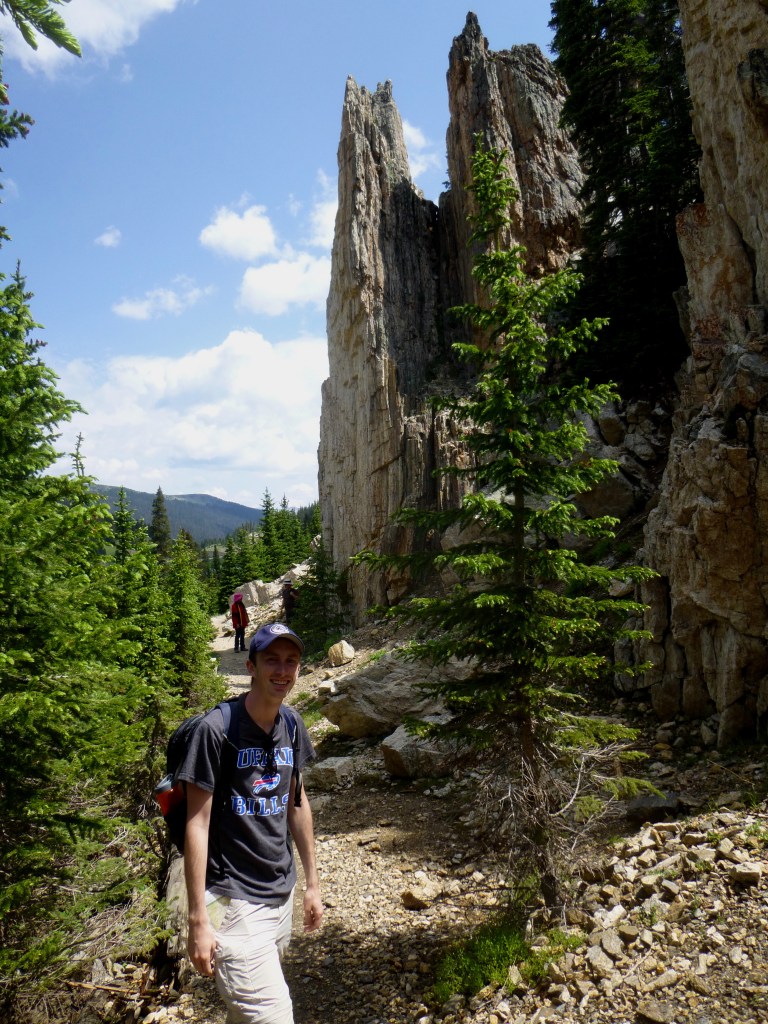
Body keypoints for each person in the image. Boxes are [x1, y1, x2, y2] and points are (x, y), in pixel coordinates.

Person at [178, 623, 323, 1024]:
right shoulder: (216, 731)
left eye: (290, 661)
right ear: (251, 666)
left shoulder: (291, 724)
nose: (282, 670)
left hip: (280, 895)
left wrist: (311, 884)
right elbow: (197, 823)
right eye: (272, 660)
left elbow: (296, 803)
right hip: (233, 901)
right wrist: (197, 919)